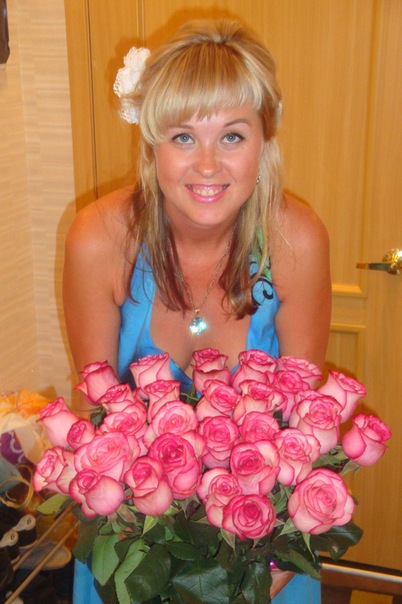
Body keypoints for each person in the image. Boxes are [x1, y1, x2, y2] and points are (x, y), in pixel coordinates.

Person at [63, 18, 331, 604]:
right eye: (183, 137)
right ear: (152, 144)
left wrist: (262, 574)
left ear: (264, 141)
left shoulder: (297, 242)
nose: (207, 165)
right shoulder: (99, 240)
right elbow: (98, 431)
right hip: (137, 545)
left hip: (260, 554)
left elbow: (308, 434)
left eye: (232, 136)